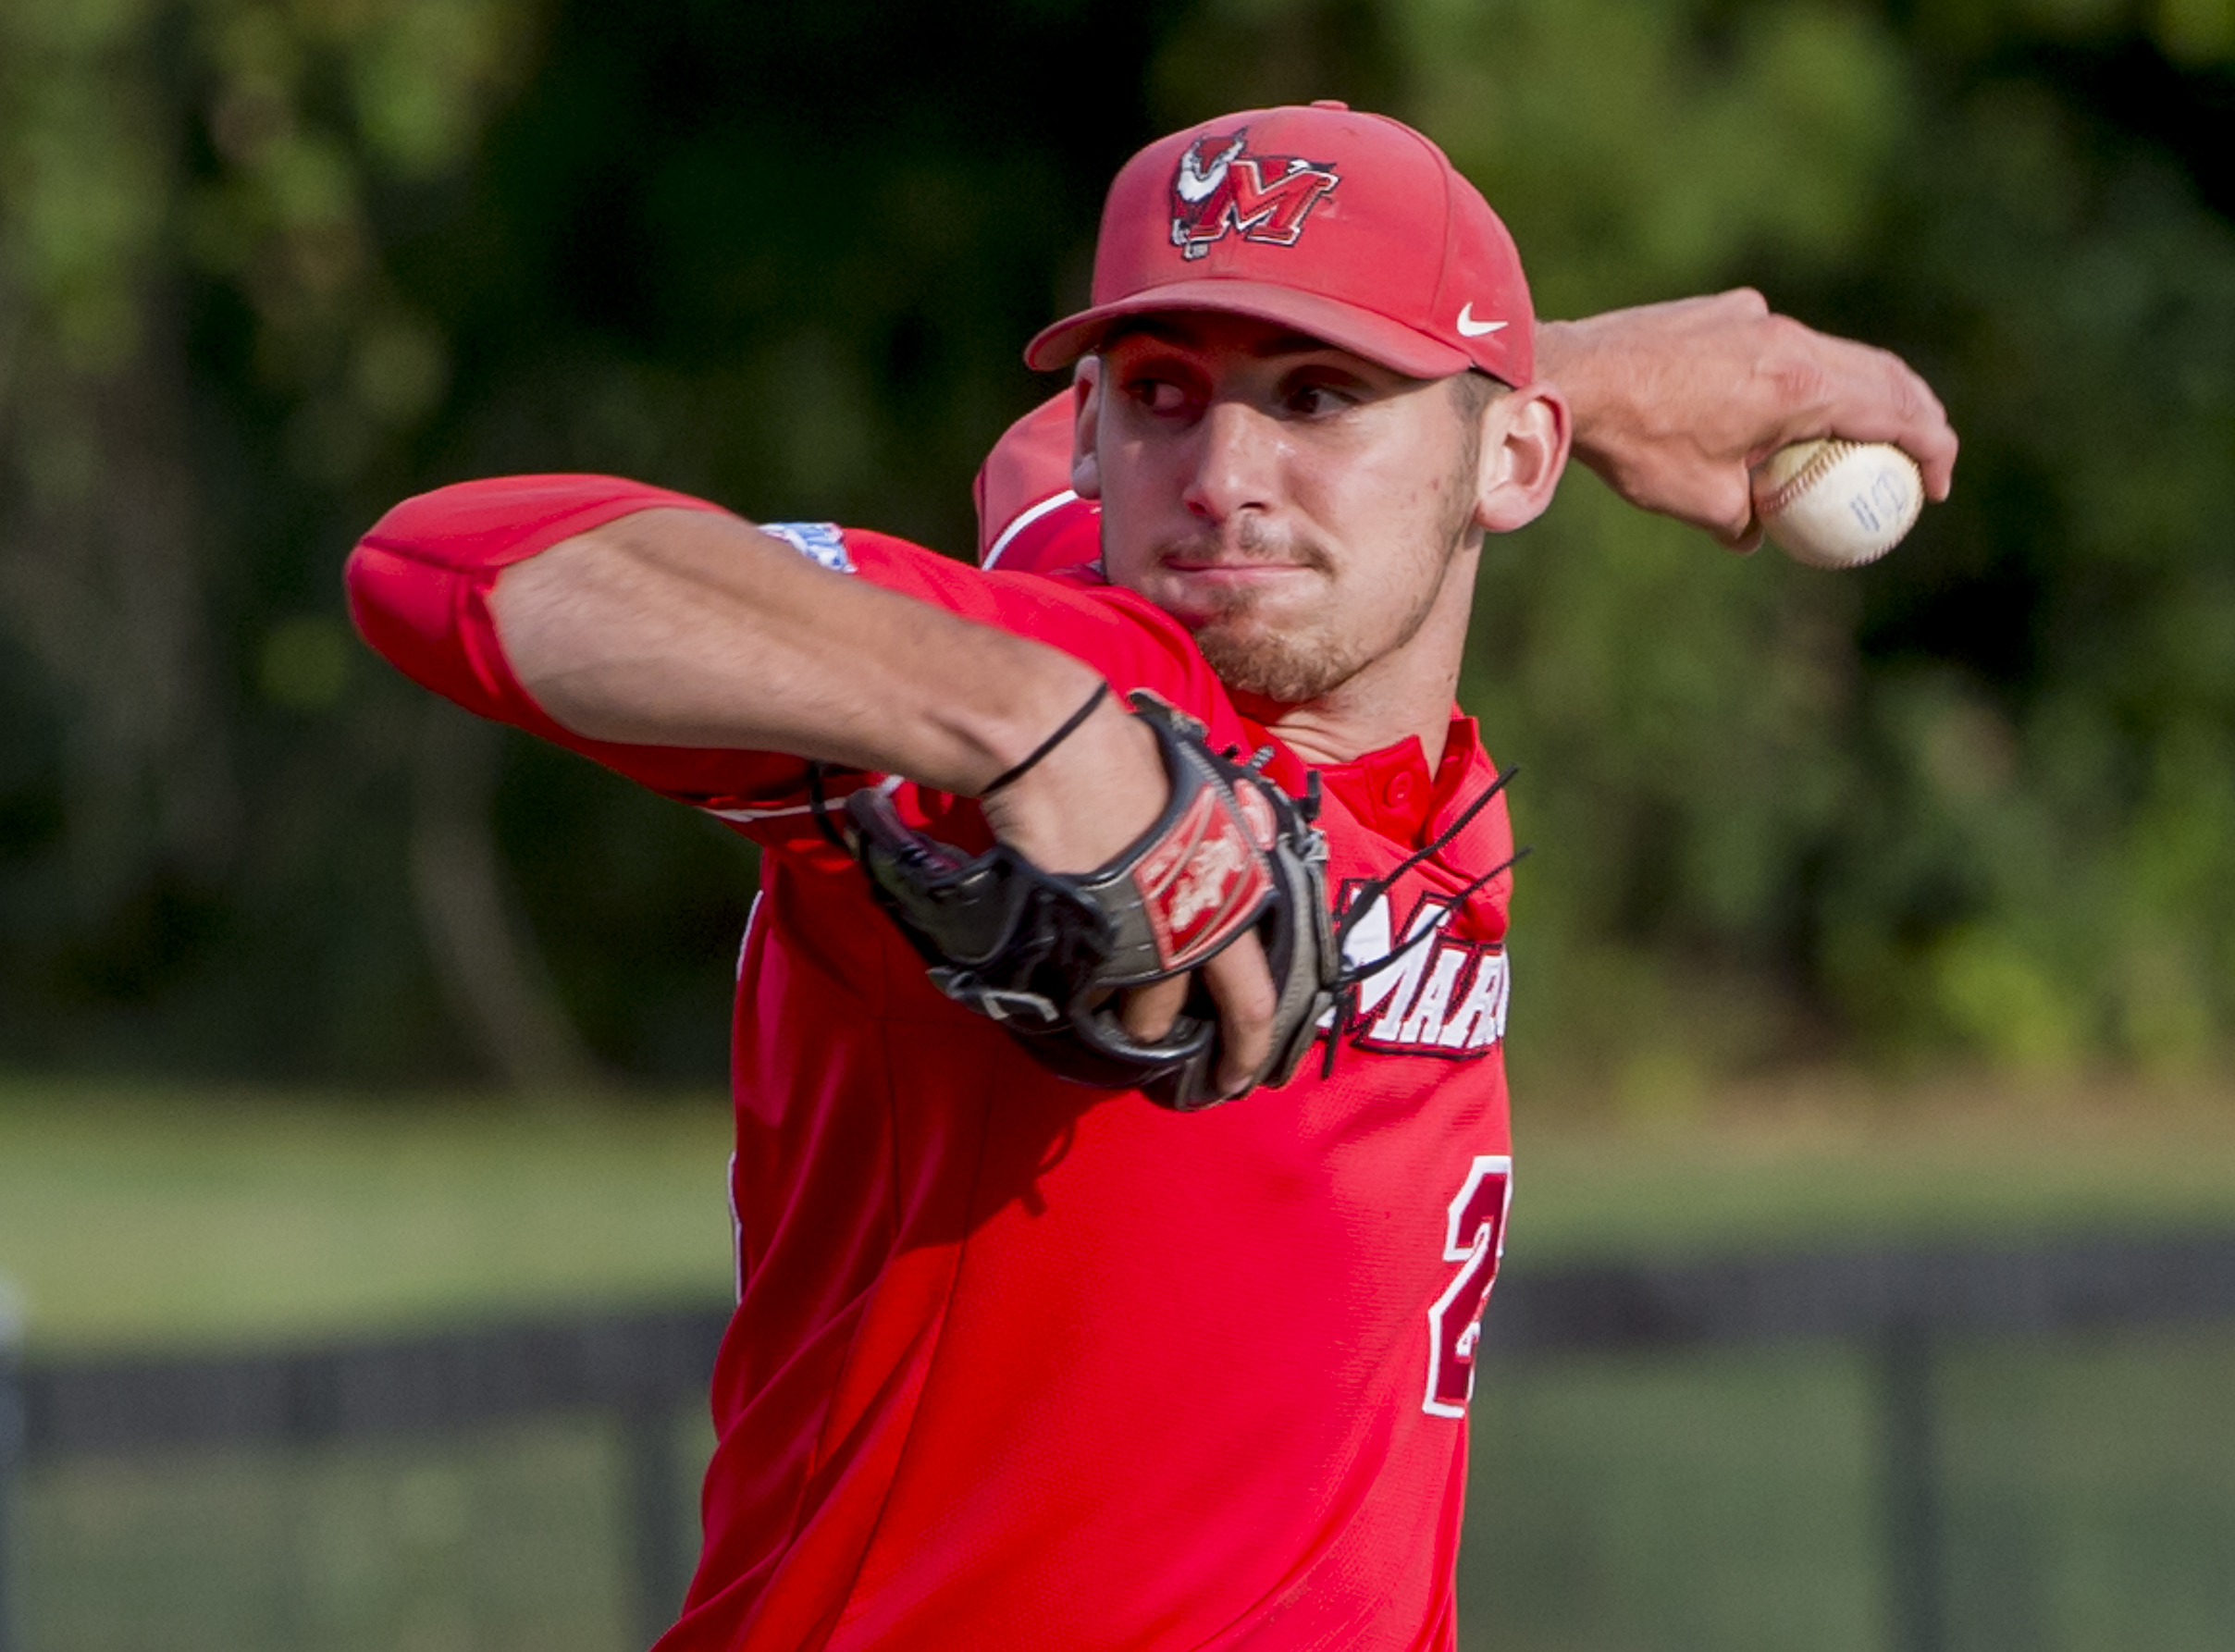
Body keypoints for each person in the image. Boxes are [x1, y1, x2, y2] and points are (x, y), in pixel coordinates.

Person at [347, 103, 1955, 1652]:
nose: (1223, 474)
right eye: (1161, 395)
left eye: (1320, 393)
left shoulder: (1315, 669)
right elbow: (450, 566)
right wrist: (1018, 724)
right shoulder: (1034, 687)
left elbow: (1050, 458)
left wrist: (1580, 373)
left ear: (1514, 459)